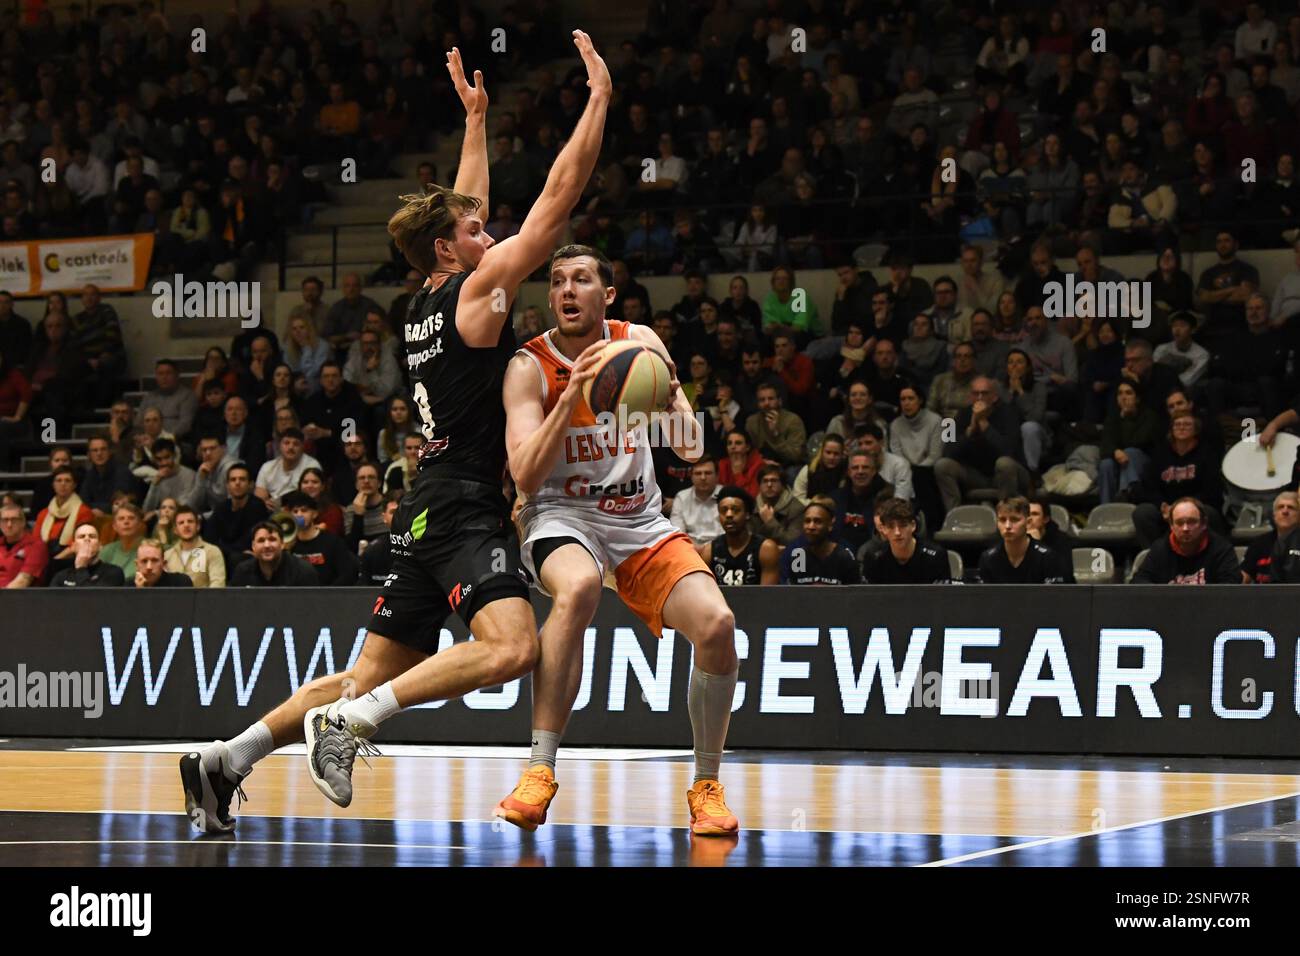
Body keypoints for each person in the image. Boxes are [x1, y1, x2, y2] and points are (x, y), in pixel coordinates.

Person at [177, 41, 612, 836]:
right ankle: (353, 724)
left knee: (363, 675)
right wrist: (598, 105)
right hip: (462, 508)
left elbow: (463, 208)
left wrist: (476, 122)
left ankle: (225, 758)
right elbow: (556, 203)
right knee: (513, 647)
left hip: (420, 506)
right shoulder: (477, 292)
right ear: (451, 250)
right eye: (475, 230)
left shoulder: (423, 302)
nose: (489, 230)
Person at [498, 242, 740, 835]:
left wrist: (669, 388)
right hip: (558, 514)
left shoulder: (640, 344)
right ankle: (539, 770)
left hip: (638, 520)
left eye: (580, 280)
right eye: (556, 282)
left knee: (717, 626)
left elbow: (690, 447)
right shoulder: (529, 365)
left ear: (606, 295)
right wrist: (575, 393)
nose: (566, 291)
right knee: (577, 588)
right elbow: (525, 476)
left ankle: (706, 784)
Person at [934, 376, 1030, 514]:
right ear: (969, 397)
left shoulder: (1009, 412)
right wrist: (970, 430)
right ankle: (955, 517)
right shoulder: (961, 415)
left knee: (1004, 463)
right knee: (942, 465)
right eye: (975, 393)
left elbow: (1009, 451)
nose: (979, 398)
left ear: (994, 397)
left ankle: (1007, 516)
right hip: (976, 475)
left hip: (1009, 473)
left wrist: (984, 424)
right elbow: (948, 452)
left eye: (984, 393)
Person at [1131, 413, 1226, 548]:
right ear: (1172, 429)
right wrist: (1162, 506)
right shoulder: (1160, 454)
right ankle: (1155, 554)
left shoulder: (1207, 454)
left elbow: (1212, 490)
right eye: (1177, 425)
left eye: (1187, 424)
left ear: (1196, 430)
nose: (1181, 428)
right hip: (1166, 508)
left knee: (1209, 512)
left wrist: (1184, 507)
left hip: (1196, 507)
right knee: (1142, 513)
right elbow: (1148, 487)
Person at [1131, 497, 1240, 584]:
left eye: (1192, 522)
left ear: (1204, 524)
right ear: (1171, 526)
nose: (1185, 528)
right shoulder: (1159, 549)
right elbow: (1139, 583)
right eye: (1179, 523)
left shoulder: (1222, 549)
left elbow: (1230, 587)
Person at [977, 496, 1074, 583]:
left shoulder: (1047, 557)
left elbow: (1056, 598)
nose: (1007, 526)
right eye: (1002, 520)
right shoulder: (988, 558)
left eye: (1014, 520)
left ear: (1028, 522)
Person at [1097, 381, 1163, 503]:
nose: (1123, 397)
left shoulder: (1149, 416)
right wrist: (1115, 451)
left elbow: (1138, 441)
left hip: (1144, 460)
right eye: (1120, 393)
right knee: (1106, 464)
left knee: (1130, 452)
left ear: (1137, 399)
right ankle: (1105, 508)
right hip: (1120, 460)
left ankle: (1126, 493)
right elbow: (1105, 445)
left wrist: (1126, 420)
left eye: (1128, 393)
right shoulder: (1113, 417)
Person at [701, 485, 780, 585]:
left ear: (747, 514)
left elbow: (769, 597)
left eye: (735, 509)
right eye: (723, 510)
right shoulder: (709, 551)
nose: (729, 514)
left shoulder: (766, 549)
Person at [861, 497, 952, 583]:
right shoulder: (873, 558)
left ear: (913, 525)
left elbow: (944, 597)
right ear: (883, 529)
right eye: (891, 526)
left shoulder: (936, 556)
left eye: (903, 525)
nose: (897, 532)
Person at [780, 496, 862, 584]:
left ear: (830, 525)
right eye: (807, 521)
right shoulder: (798, 557)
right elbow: (791, 594)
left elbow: (855, 595)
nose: (811, 527)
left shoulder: (845, 558)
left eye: (818, 521)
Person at [283, 490, 358, 586]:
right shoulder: (289, 545)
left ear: (314, 514)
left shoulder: (332, 542)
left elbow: (347, 574)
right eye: (295, 511)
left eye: (304, 510)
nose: (299, 515)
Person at [204, 463, 271, 565]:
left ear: (250, 484)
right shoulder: (222, 507)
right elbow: (209, 538)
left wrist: (223, 548)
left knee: (238, 558)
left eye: (242, 479)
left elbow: (247, 541)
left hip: (247, 556)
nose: (237, 483)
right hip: (226, 553)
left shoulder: (257, 506)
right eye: (233, 480)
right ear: (227, 485)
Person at [34, 465, 93, 572]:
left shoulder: (84, 511)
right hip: (45, 559)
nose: (63, 484)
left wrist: (55, 561)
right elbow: (36, 542)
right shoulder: (43, 513)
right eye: (59, 480)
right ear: (53, 485)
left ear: (74, 485)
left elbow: (79, 543)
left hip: (70, 560)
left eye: (67, 480)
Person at [833, 451, 893, 555]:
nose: (860, 471)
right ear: (848, 472)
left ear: (874, 471)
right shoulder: (835, 499)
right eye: (855, 468)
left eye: (865, 467)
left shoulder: (886, 501)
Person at [229, 521, 321, 586]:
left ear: (282, 544)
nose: (267, 545)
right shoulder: (242, 572)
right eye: (261, 541)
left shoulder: (303, 572)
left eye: (272, 539)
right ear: (253, 546)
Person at [744, 383, 807, 472]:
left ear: (779, 401)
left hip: (788, 465)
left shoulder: (793, 420)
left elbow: (796, 456)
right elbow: (748, 451)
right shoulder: (752, 422)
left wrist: (775, 434)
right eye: (762, 400)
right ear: (758, 404)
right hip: (761, 463)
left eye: (771, 399)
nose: (766, 403)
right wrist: (761, 462)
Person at [254, 428, 322, 508]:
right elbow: (260, 497)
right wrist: (265, 504)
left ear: (302, 447)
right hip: (271, 511)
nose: (290, 447)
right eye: (286, 443)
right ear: (280, 445)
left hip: (300, 509)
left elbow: (311, 494)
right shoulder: (267, 467)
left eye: (296, 444)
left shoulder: (312, 465)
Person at [1241, 491, 1299, 583]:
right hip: (1264, 596)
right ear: (1274, 514)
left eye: (1291, 507)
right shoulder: (1260, 543)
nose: (1285, 511)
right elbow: (1243, 579)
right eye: (1280, 507)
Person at [668, 455, 725, 547]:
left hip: (720, 549)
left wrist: (709, 551)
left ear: (717, 476)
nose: (703, 477)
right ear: (691, 476)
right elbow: (677, 533)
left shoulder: (727, 495)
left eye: (708, 473)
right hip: (690, 550)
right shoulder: (681, 497)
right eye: (698, 473)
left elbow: (729, 534)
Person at [165, 505, 226, 588]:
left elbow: (218, 585)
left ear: (198, 526)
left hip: (203, 600)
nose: (186, 525)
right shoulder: (167, 555)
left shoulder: (212, 551)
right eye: (181, 523)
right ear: (175, 530)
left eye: (190, 521)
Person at [49, 522, 125, 587]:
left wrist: (81, 568)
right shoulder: (61, 576)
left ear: (100, 546)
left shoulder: (113, 572)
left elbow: (92, 600)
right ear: (74, 546)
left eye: (92, 536)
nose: (87, 539)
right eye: (81, 537)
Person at [357, 491, 404, 586]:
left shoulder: (423, 547)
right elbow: (361, 591)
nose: (398, 516)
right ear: (384, 517)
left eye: (403, 511)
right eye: (393, 512)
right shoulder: (372, 551)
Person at [142, 438, 196, 517]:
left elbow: (184, 507)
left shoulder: (190, 475)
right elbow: (146, 510)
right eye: (159, 459)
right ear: (154, 460)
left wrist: (157, 513)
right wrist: (154, 484)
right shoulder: (157, 477)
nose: (164, 463)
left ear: (174, 455)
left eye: (167, 457)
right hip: (162, 521)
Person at [185, 432, 234, 517]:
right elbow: (191, 505)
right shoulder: (205, 468)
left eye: (212, 448)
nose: (208, 453)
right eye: (204, 450)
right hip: (214, 517)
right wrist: (201, 480)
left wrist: (201, 517)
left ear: (223, 448)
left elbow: (232, 507)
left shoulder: (231, 469)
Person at [0, 501, 47, 588]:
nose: (9, 524)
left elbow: (22, 582)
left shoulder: (36, 546)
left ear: (23, 522)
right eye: (5, 520)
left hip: (16, 598)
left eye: (14, 520)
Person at [792, 433, 847, 504]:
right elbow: (798, 499)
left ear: (842, 455)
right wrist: (817, 505)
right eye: (828, 452)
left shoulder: (845, 472)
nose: (831, 457)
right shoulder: (808, 470)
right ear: (822, 452)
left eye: (836, 454)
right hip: (810, 510)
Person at [99, 502, 146, 579]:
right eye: (121, 519)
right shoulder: (107, 551)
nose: (126, 522)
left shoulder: (151, 548)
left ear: (139, 524)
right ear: (114, 526)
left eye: (131, 518)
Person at [716, 428, 763, 497]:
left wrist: (738, 474)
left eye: (738, 443)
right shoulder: (722, 464)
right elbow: (718, 492)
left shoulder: (758, 465)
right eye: (729, 443)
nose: (733, 446)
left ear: (747, 447)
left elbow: (750, 496)